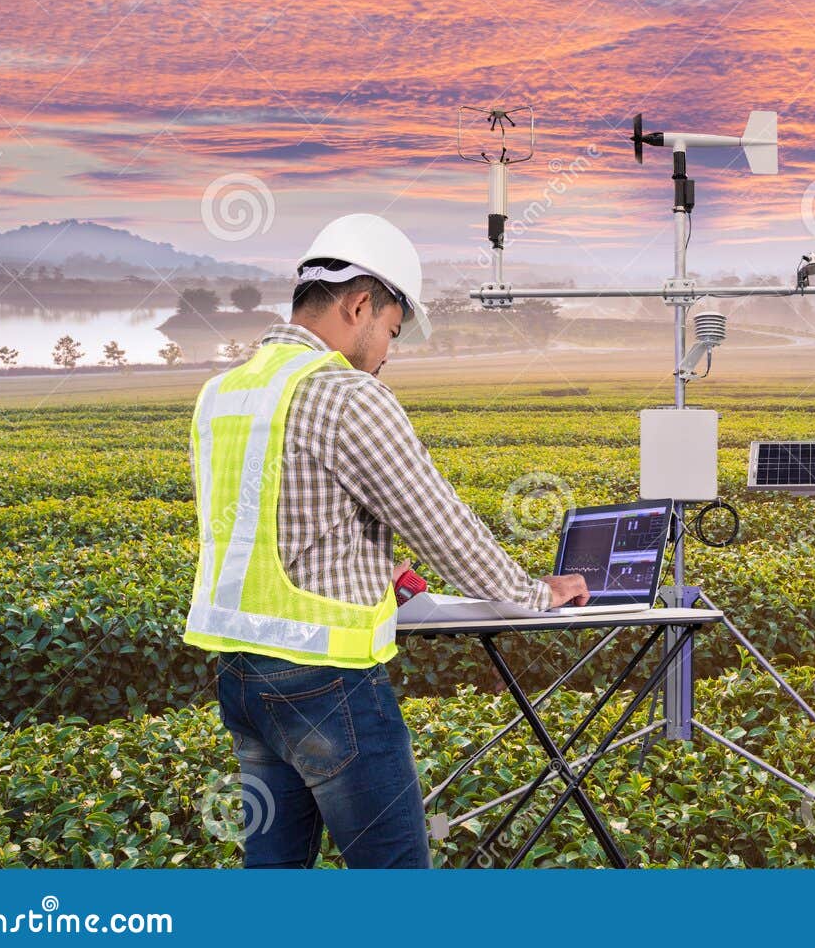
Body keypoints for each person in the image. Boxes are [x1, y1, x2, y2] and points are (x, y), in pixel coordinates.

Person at [182, 212, 589, 867]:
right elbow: (444, 525)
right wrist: (533, 592)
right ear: (360, 304)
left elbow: (259, 523)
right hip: (325, 683)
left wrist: (372, 566)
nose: (389, 352)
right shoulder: (345, 394)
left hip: (242, 679)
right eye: (392, 331)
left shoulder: (222, 393)